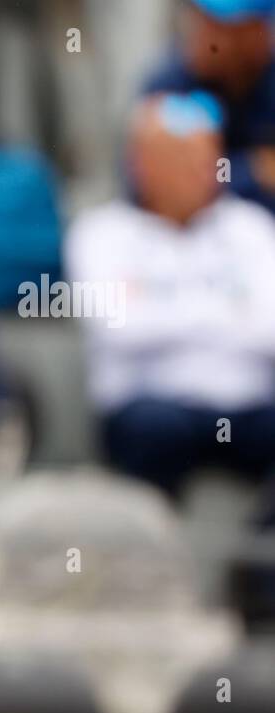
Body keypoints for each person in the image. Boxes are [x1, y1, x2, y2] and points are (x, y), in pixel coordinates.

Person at [67, 93, 275, 498]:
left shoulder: (251, 228)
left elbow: (269, 329)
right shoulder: (100, 233)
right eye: (182, 159)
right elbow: (120, 329)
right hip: (149, 410)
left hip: (248, 408)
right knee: (154, 431)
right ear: (141, 164)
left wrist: (167, 312)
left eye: (208, 158)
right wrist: (226, 314)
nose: (202, 173)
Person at [145, 0, 275, 215]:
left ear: (257, 32)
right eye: (199, 18)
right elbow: (149, 183)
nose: (203, 33)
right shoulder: (169, 85)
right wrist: (254, 169)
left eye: (221, 26)